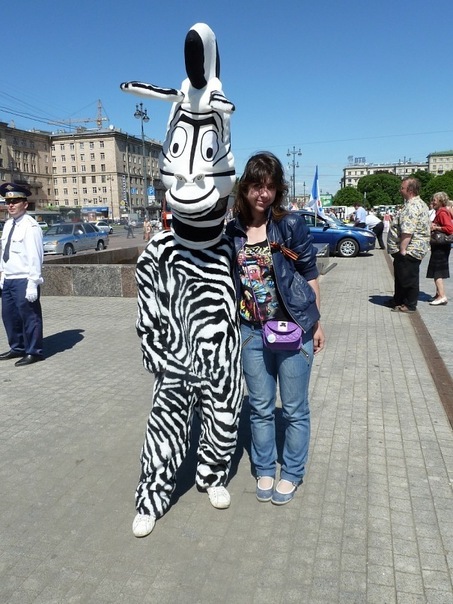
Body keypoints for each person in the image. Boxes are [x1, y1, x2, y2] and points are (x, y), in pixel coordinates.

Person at [226, 152, 325, 506]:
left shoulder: (289, 224)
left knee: (295, 408)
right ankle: (265, 467)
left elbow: (309, 273)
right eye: (257, 186)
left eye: (270, 187)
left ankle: (293, 472)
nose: (263, 194)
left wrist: (316, 323)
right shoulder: (233, 230)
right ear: (245, 188)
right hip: (251, 332)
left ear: (278, 190)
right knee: (260, 408)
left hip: (293, 329)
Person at [0, 183, 44, 366]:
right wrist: (2, 273)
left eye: (15, 201)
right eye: (8, 202)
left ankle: (34, 351)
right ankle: (17, 347)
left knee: (30, 317)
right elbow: (4, 252)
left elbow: (35, 256)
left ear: (25, 204)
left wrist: (33, 282)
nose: (11, 205)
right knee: (9, 317)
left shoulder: (30, 226)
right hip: (9, 279)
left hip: (24, 279)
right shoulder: (8, 224)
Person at [386, 177, 430, 313]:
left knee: (408, 278)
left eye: (402, 188)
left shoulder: (412, 206)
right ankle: (398, 300)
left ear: (410, 190)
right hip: (413, 247)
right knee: (401, 276)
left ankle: (409, 304)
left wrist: (403, 249)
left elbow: (407, 231)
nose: (400, 190)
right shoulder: (419, 203)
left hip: (410, 249)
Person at [426, 192, 453, 306]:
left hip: (441, 246)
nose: (432, 202)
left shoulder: (442, 212)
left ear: (441, 201)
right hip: (441, 246)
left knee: (437, 271)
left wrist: (436, 227)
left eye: (435, 200)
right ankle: (438, 294)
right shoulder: (441, 211)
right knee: (437, 270)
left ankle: (442, 296)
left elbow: (449, 228)